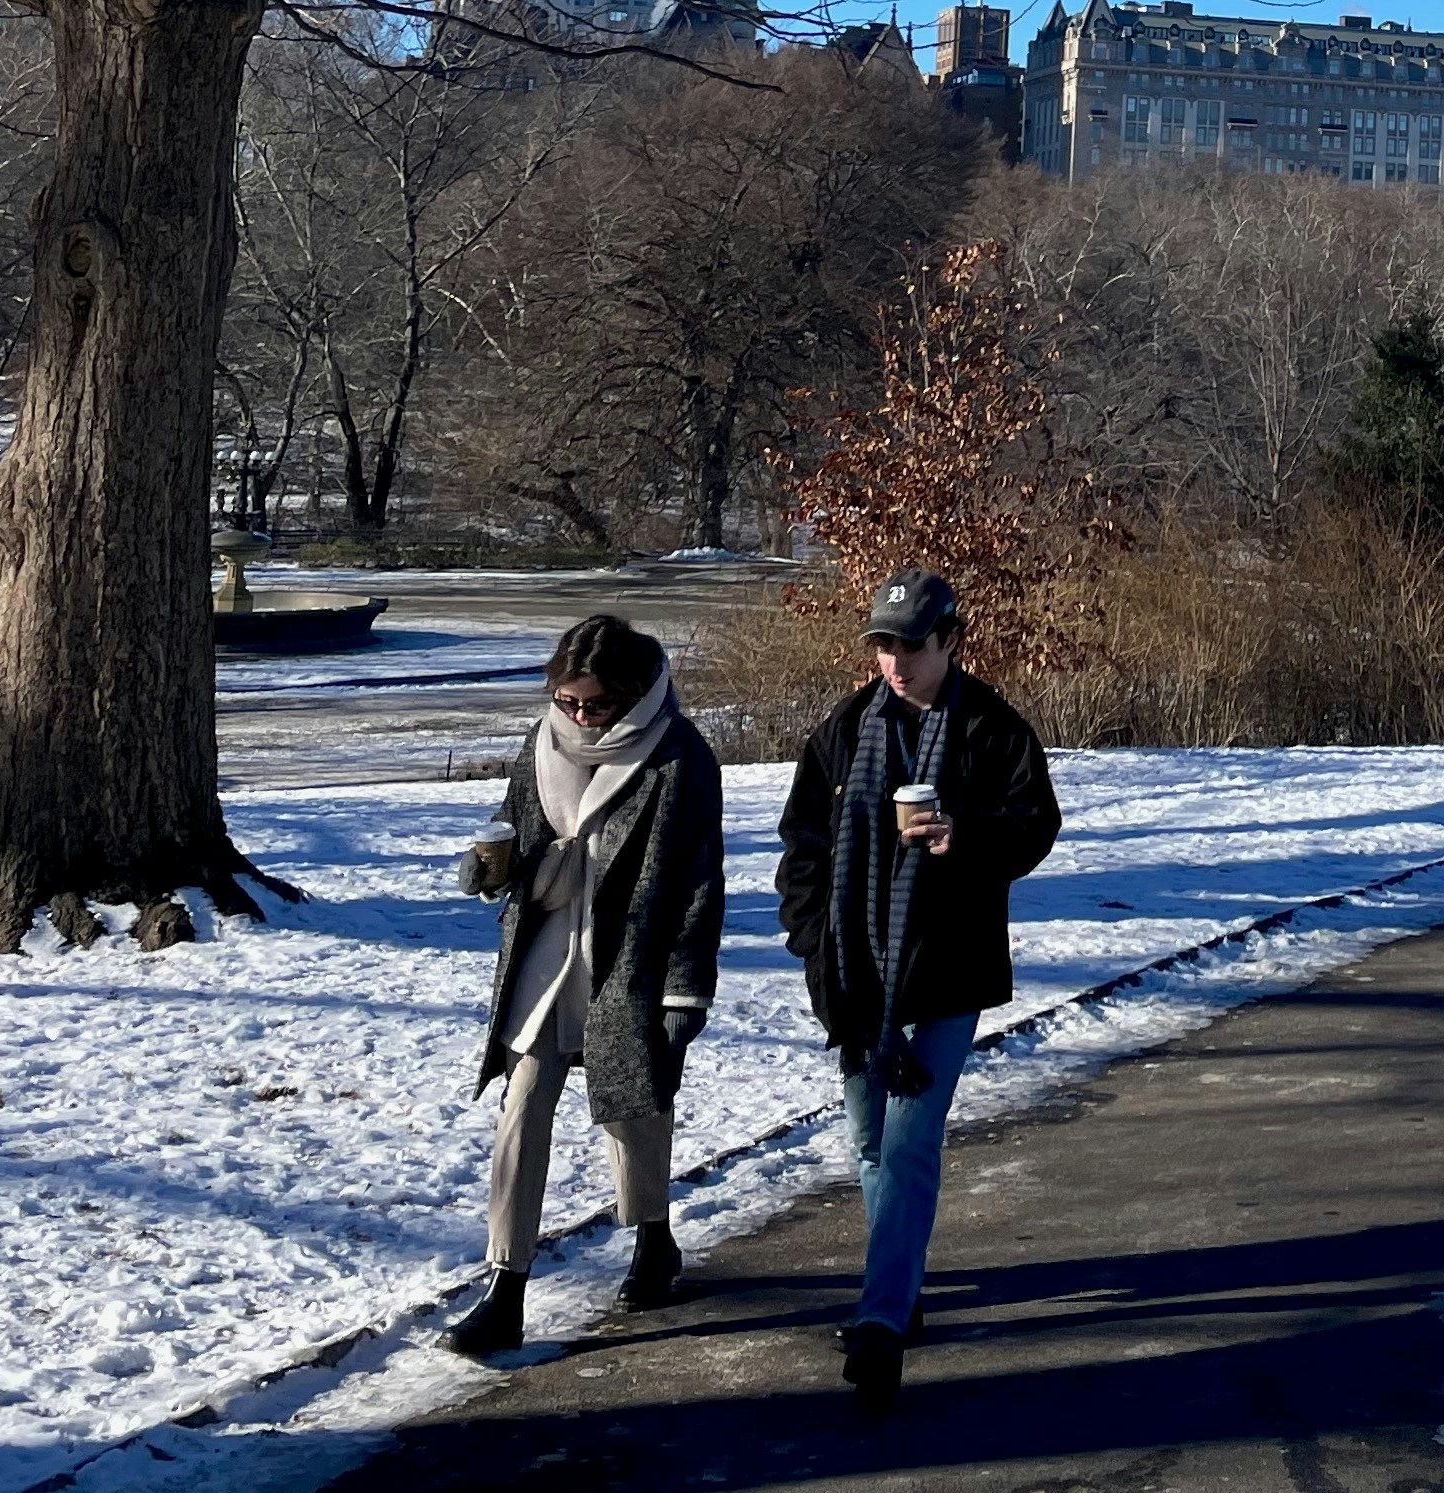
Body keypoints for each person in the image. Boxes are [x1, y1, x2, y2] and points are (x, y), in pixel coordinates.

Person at [774, 568, 1062, 1412]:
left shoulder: (990, 726)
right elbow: (802, 848)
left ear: (951, 641)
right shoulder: (844, 730)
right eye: (883, 647)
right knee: (869, 1143)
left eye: (911, 646)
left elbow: (1035, 824)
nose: (895, 663)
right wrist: (813, 942)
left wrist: (963, 840)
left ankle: (880, 1326)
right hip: (855, 973)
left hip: (946, 973)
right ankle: (899, 1291)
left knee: (906, 1143)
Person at [445, 613, 726, 1358]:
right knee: (522, 1107)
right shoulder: (542, 741)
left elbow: (700, 879)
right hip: (545, 955)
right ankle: (505, 1289)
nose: (578, 716)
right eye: (567, 701)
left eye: (595, 704)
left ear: (632, 693)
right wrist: (486, 870)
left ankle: (655, 1241)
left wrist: (685, 989)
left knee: (633, 1114)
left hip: (629, 961)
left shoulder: (679, 755)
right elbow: (513, 825)